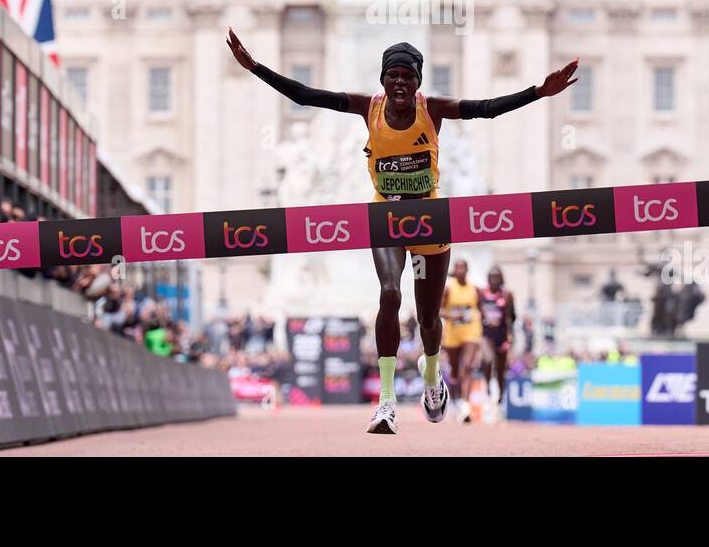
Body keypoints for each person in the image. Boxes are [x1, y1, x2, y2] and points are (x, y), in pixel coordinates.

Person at [227, 28, 578, 434]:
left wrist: (538, 91)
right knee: (390, 294)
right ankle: (387, 401)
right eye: (392, 75)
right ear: (382, 80)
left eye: (408, 77)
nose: (399, 83)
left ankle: (431, 377)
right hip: (386, 218)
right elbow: (307, 95)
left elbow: (487, 108)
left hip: (430, 221)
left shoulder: (435, 110)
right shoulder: (368, 108)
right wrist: (254, 68)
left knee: (429, 319)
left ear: (418, 83)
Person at [441, 258, 483, 423]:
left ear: (467, 270)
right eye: (457, 268)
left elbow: (481, 310)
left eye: (462, 268)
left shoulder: (474, 289)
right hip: (453, 333)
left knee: (467, 367)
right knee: (454, 371)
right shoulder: (449, 289)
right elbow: (439, 311)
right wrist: (453, 315)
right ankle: (453, 402)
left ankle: (466, 407)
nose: (460, 271)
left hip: (471, 331)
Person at [479, 266, 517, 415]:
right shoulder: (482, 294)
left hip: (501, 335)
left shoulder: (507, 295)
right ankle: (487, 387)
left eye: (497, 277)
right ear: (488, 278)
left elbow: (512, 317)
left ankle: (500, 396)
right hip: (486, 335)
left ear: (501, 278)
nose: (494, 279)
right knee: (488, 359)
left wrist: (510, 337)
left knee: (501, 369)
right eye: (492, 277)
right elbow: (478, 311)